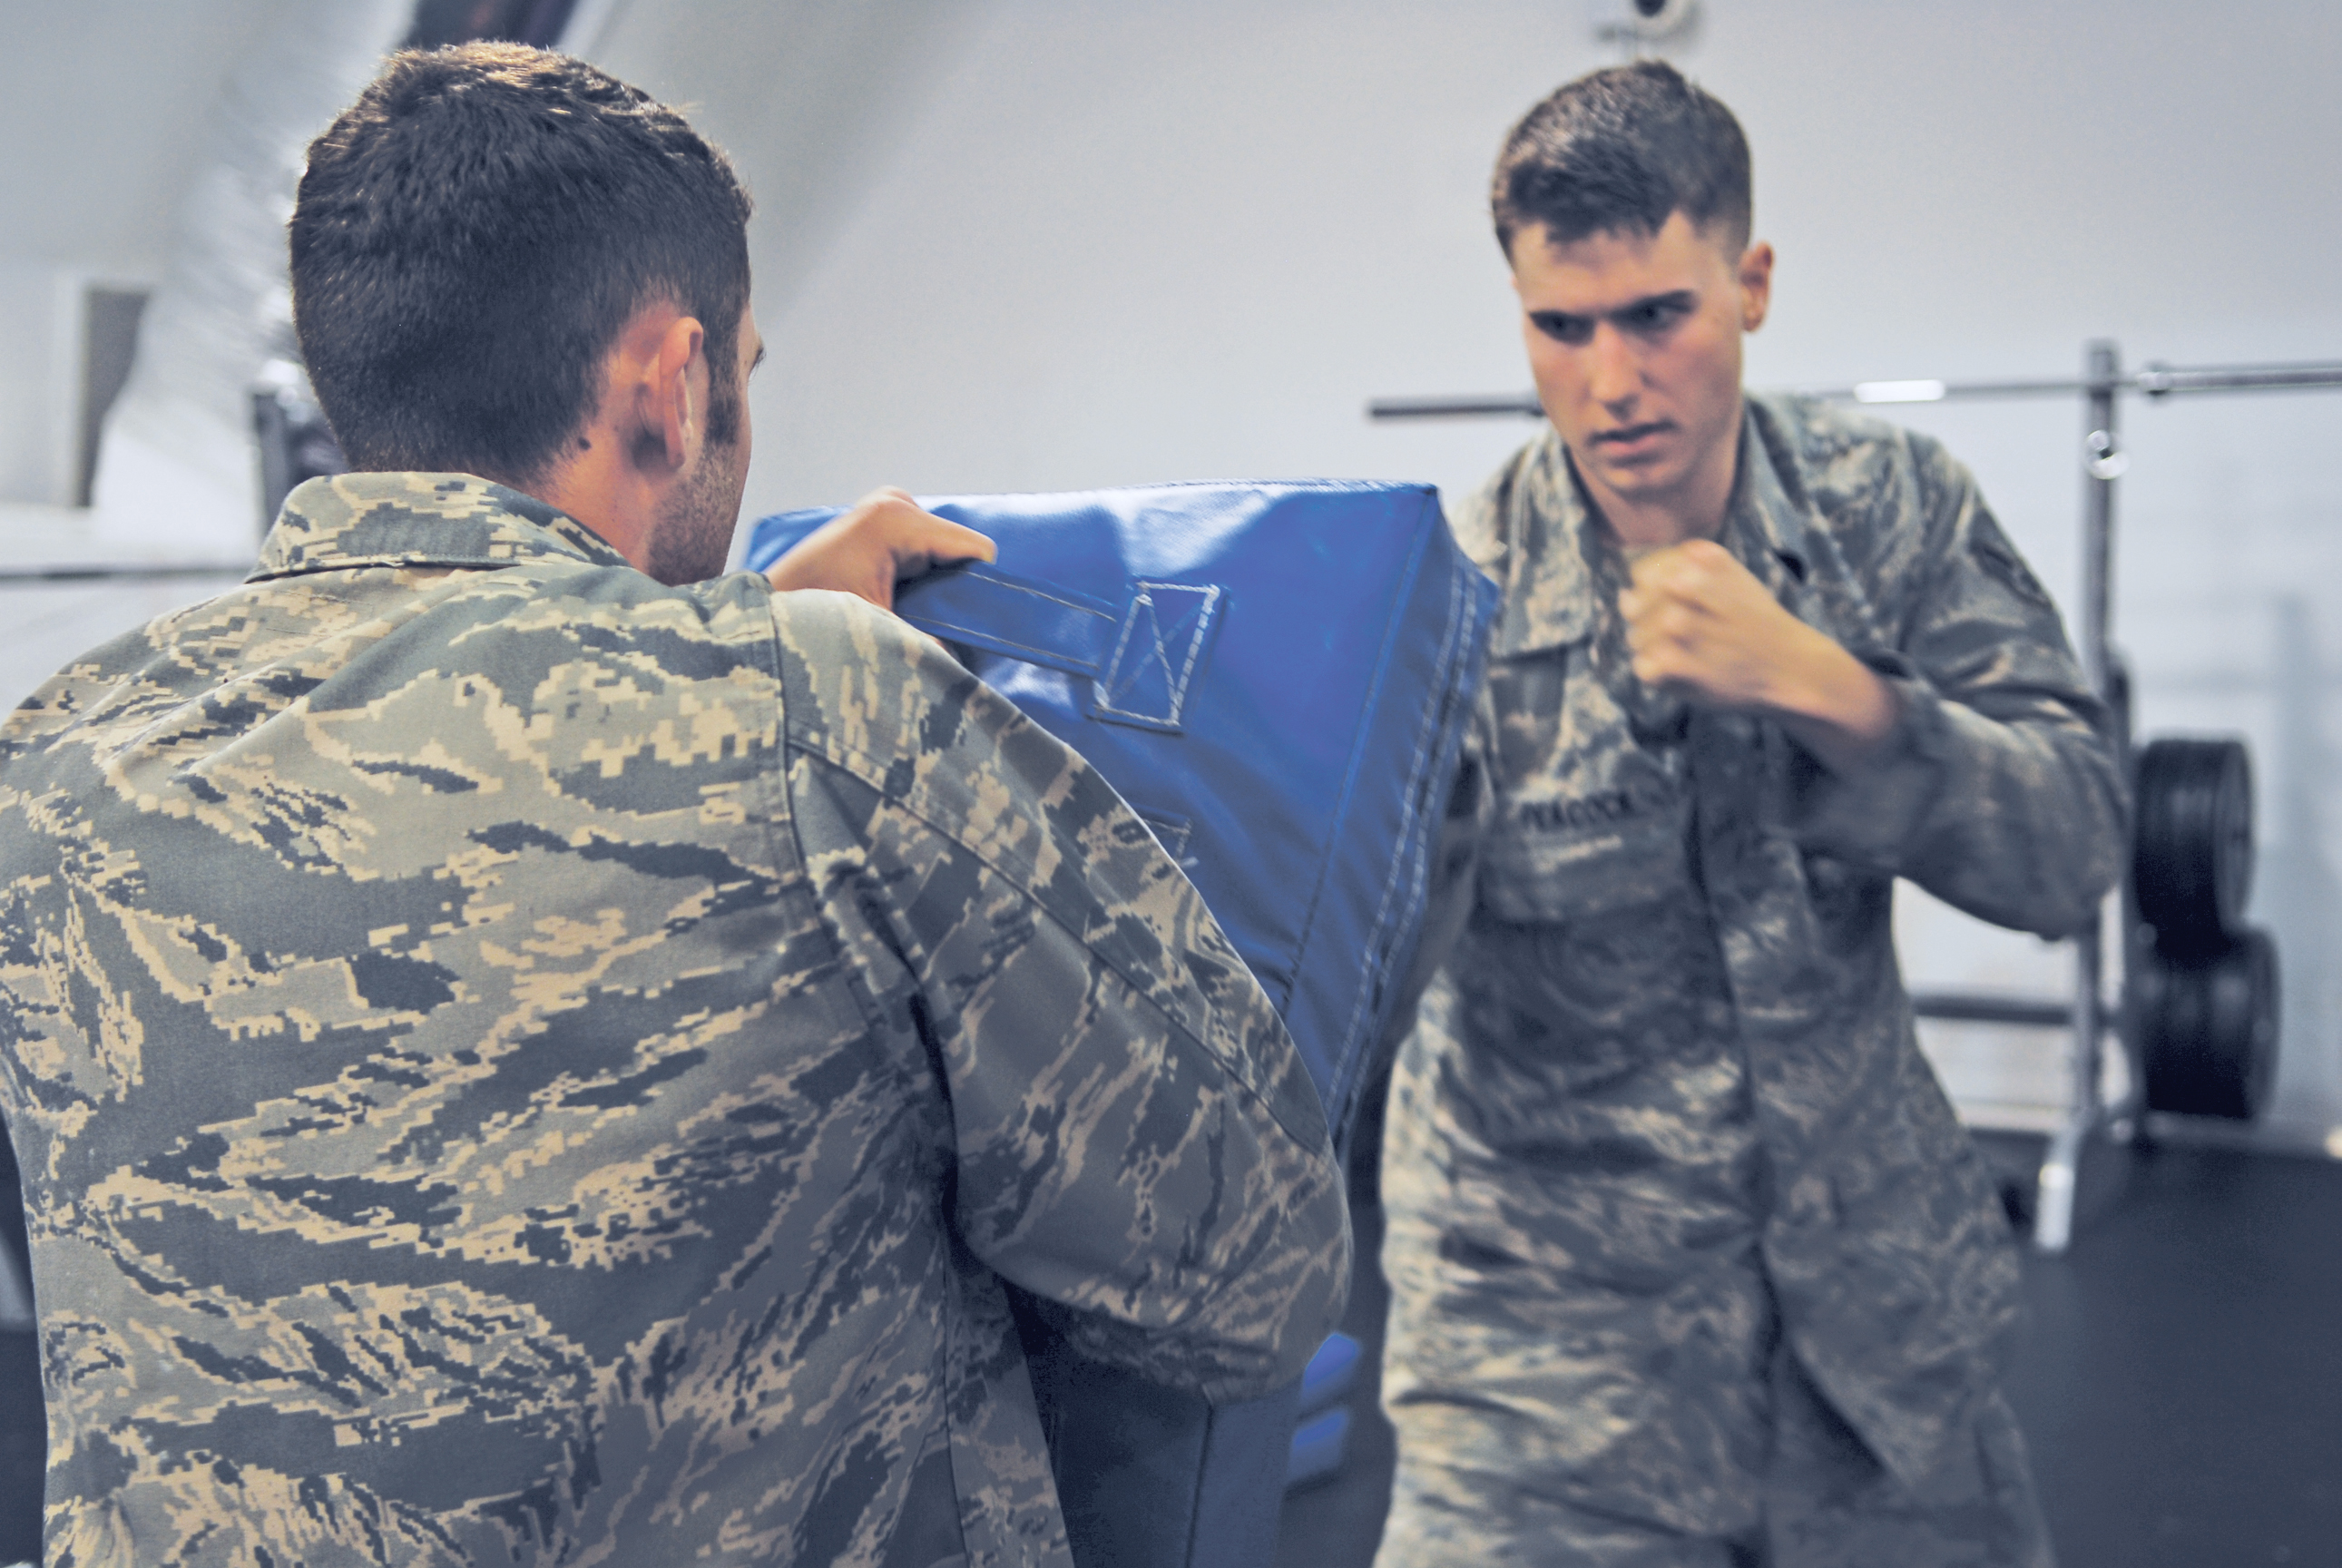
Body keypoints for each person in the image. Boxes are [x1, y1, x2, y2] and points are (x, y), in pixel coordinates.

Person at [0, 44, 1349, 1568]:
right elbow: (1248, 1269)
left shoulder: (57, 756)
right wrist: (803, 687)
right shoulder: (824, 717)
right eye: (742, 373)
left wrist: (738, 653)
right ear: (671, 379)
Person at [1373, 61, 2124, 1567]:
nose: (1610, 382)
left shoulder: (1886, 507)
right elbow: (1340, 989)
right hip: (1545, 1385)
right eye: (1560, 327)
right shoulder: (1447, 601)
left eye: (1657, 314)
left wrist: (1841, 700)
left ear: (1751, 284)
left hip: (1877, 1348)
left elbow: (2075, 849)